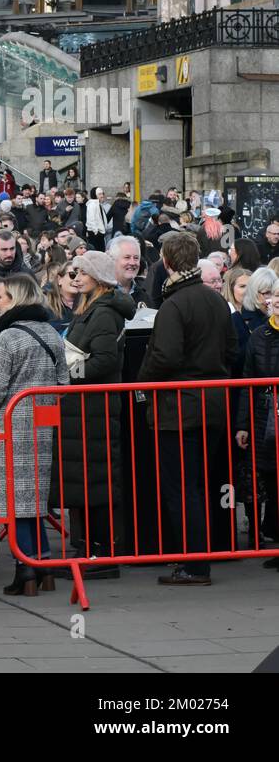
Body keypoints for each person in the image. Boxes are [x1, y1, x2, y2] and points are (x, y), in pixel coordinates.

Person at [138, 231, 236, 586]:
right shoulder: (214, 301)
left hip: (180, 407)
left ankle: (194, 564)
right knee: (195, 484)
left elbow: (165, 355)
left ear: (166, 262)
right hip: (210, 401)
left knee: (182, 488)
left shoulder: (175, 305)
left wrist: (142, 379)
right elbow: (231, 347)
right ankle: (198, 559)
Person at [0, 273, 70, 597]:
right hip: (43, 422)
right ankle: (43, 566)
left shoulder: (7, 338)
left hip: (9, 425)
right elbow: (64, 383)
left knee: (16, 501)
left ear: (15, 299)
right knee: (35, 499)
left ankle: (26, 568)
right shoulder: (52, 333)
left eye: (3, 296)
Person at [51, 252, 134, 577]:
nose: (75, 276)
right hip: (83, 410)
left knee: (94, 482)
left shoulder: (102, 313)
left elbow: (104, 360)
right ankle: (87, 549)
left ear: (97, 277)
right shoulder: (91, 310)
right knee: (83, 482)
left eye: (81, 272)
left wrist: (69, 371)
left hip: (93, 410)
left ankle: (100, 554)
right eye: (73, 271)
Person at [233, 288, 279, 558]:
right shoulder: (258, 337)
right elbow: (247, 381)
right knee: (258, 479)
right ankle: (256, 535)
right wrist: (242, 425)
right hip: (262, 417)